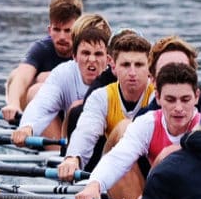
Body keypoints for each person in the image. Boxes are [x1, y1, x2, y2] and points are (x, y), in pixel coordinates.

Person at [74, 62, 201, 199]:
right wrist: (94, 184)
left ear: (197, 97)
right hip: (159, 195)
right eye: (170, 100)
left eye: (185, 100)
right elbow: (117, 159)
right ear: (158, 97)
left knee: (170, 154)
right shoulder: (147, 123)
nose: (178, 108)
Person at [58, 31, 154, 179]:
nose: (133, 72)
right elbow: (86, 131)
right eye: (126, 64)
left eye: (139, 65)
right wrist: (73, 158)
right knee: (125, 127)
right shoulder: (101, 96)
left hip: (150, 169)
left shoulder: (158, 95)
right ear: (113, 66)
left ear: (149, 67)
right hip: (113, 169)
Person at [11, 15, 112, 146]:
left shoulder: (119, 73)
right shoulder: (64, 72)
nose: (91, 59)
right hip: (68, 138)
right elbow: (42, 105)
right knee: (37, 91)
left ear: (108, 56)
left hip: (107, 144)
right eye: (86, 51)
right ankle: (57, 155)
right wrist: (26, 127)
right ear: (75, 53)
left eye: (98, 53)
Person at [1, 0, 84, 123]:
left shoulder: (87, 50)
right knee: (15, 75)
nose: (62, 37)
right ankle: (20, 120)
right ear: (49, 30)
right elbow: (21, 77)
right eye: (57, 30)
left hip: (78, 111)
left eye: (68, 30)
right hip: (46, 112)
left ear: (79, 30)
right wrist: (13, 104)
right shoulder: (42, 48)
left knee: (41, 80)